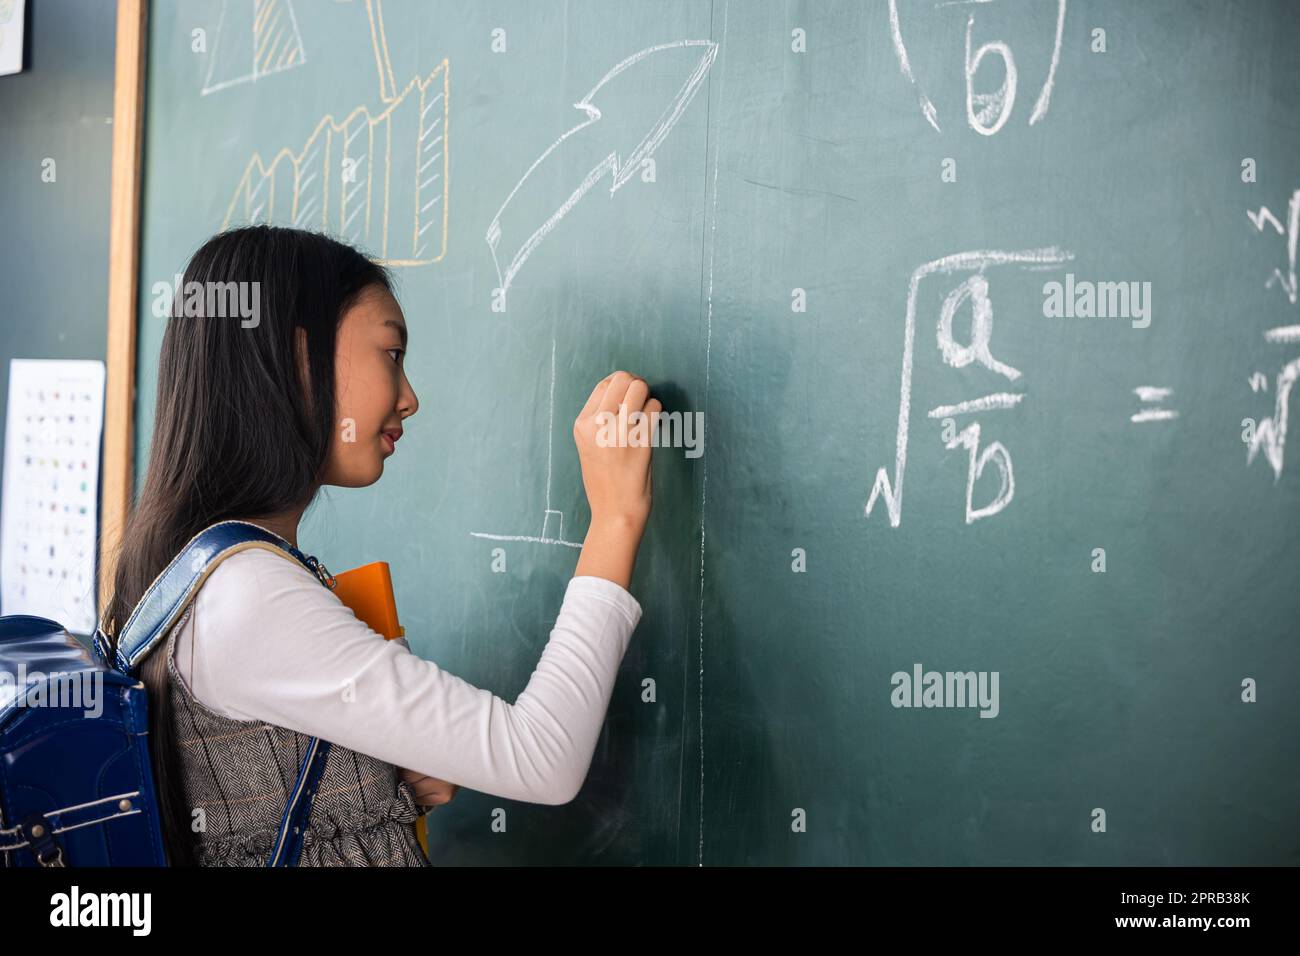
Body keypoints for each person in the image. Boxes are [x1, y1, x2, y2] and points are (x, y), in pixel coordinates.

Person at [101, 225, 658, 865]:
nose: (409, 397)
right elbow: (543, 756)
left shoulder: (192, 575)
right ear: (297, 357)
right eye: (392, 354)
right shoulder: (248, 592)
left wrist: (374, 774)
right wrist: (615, 519)